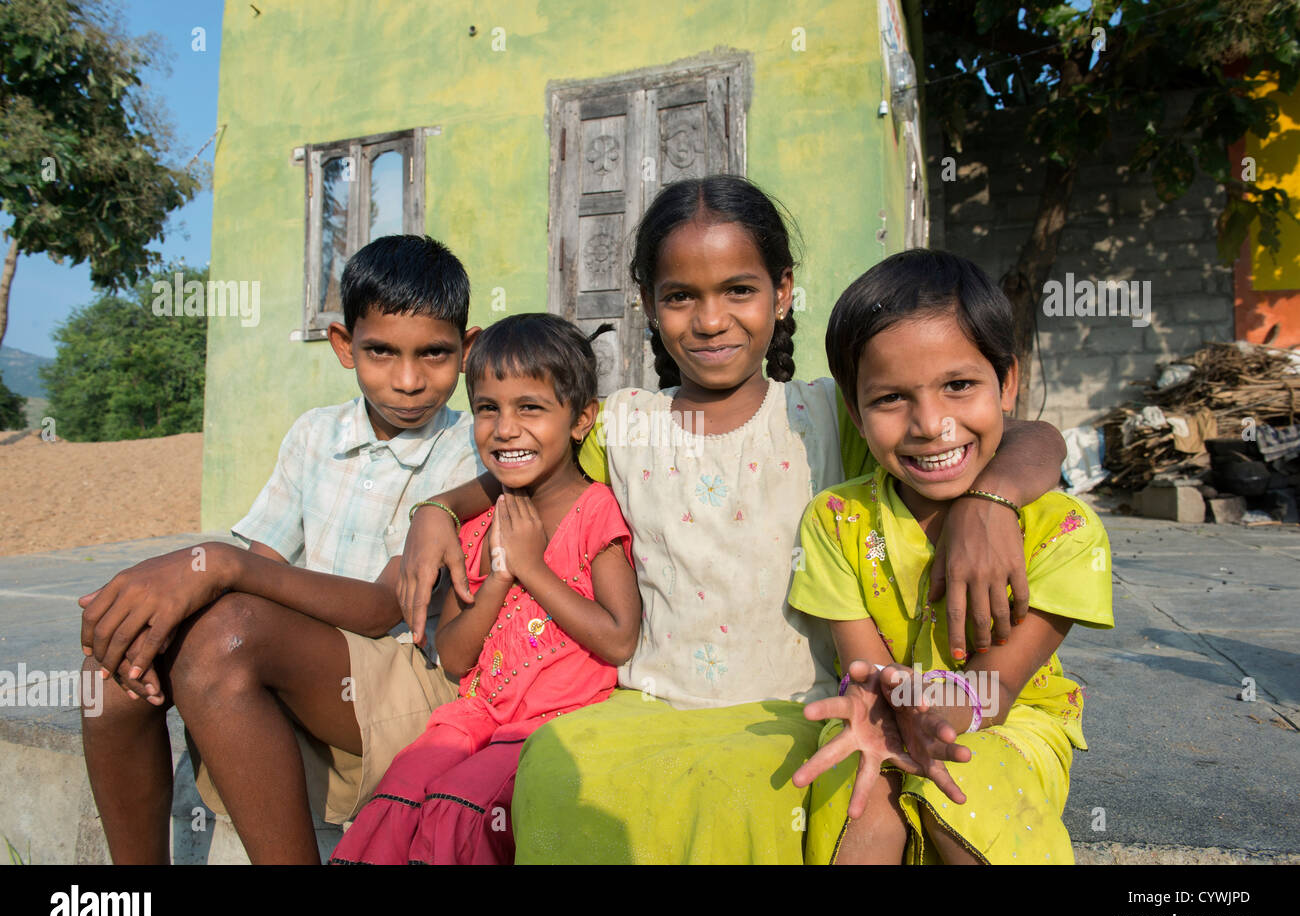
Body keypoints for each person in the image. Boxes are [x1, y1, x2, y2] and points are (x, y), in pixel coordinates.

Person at [399, 176, 1069, 863]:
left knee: (788, 798)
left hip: (798, 705)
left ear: (782, 292)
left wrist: (991, 502)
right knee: (557, 772)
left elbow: (1033, 437)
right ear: (648, 304)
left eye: (738, 290)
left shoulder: (826, 411)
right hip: (650, 703)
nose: (711, 319)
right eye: (681, 295)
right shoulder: (626, 424)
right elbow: (526, 459)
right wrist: (439, 508)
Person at [79, 234, 483, 864]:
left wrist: (218, 563)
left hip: (404, 678)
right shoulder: (313, 435)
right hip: (311, 660)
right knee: (118, 656)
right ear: (344, 346)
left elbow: (382, 608)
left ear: (468, 350)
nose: (408, 381)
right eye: (381, 351)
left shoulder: (471, 452)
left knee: (229, 635)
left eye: (434, 354)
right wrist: (173, 595)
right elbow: (264, 562)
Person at [788, 250, 1113, 864]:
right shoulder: (836, 521)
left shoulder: (1062, 529)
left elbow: (996, 688)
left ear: (1007, 384)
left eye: (959, 385)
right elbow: (866, 672)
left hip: (1009, 723)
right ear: (855, 414)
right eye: (890, 399)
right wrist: (888, 709)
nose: (932, 424)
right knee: (862, 798)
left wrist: (932, 716)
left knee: (963, 797)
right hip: (882, 714)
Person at [329, 313, 639, 864]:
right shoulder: (476, 525)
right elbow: (450, 657)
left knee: (460, 800)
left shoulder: (595, 511)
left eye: (531, 408)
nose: (505, 428)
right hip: (473, 713)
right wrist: (499, 575)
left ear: (581, 420)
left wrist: (531, 567)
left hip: (555, 721)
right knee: (402, 787)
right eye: (487, 409)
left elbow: (618, 640)